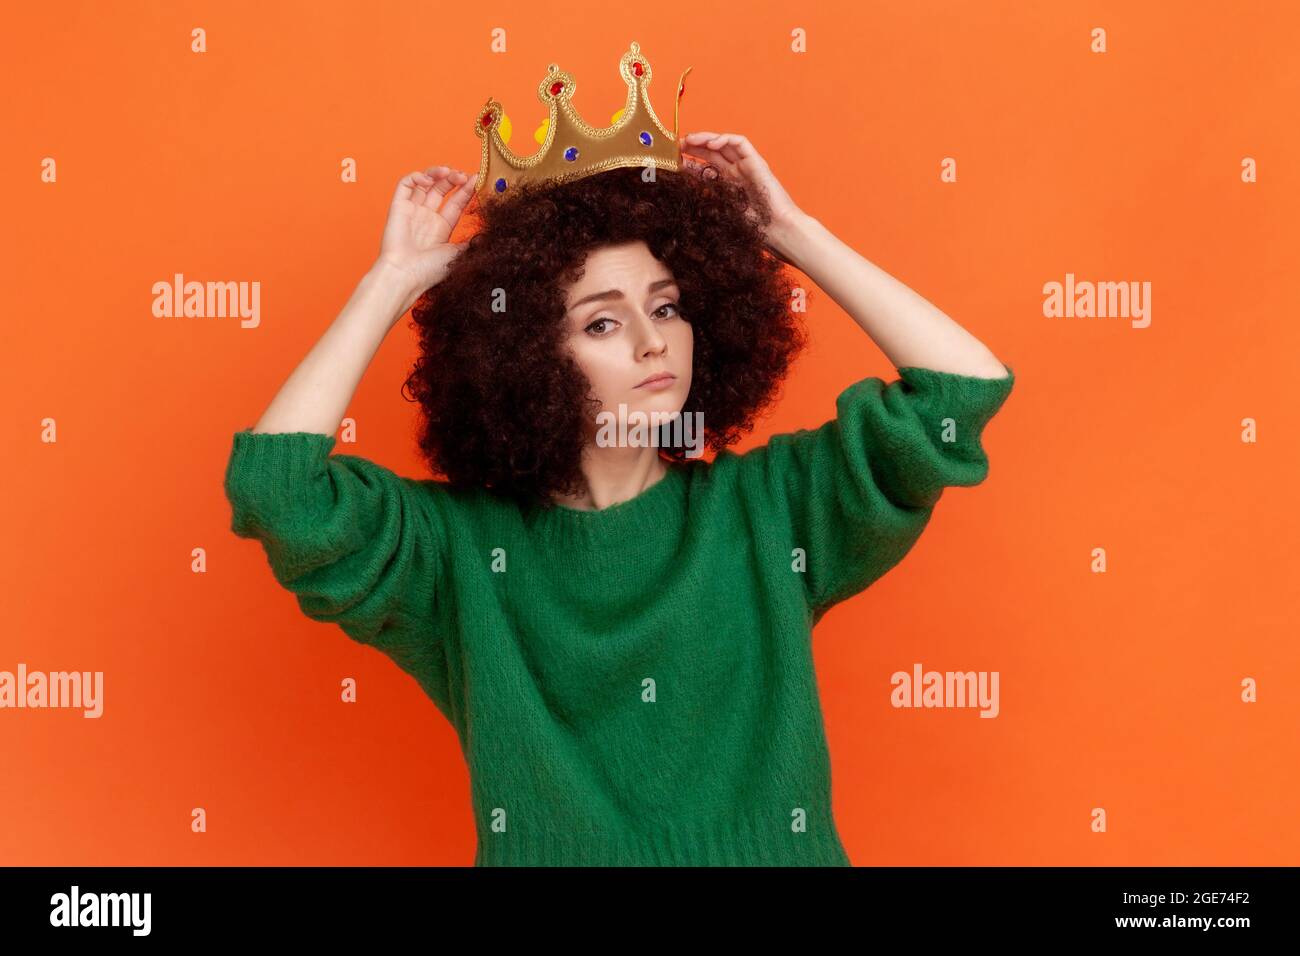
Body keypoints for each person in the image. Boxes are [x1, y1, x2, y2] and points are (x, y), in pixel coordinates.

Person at [223, 133, 1015, 866]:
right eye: (602, 322)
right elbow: (275, 490)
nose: (652, 340)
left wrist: (789, 231)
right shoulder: (454, 553)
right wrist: (389, 283)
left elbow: (963, 391)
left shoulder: (771, 510)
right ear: (525, 354)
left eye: (667, 306)